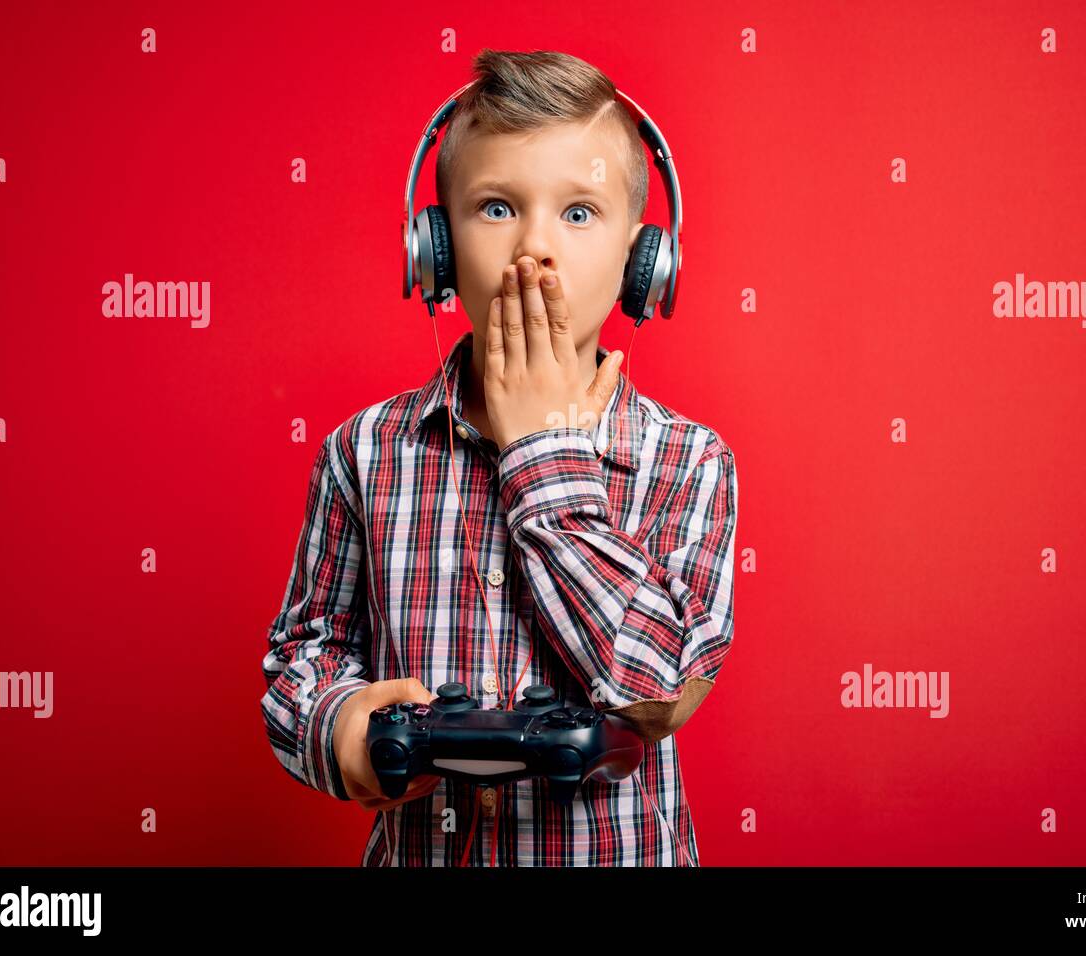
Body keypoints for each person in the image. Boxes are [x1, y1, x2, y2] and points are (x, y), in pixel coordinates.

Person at [260, 48, 738, 866]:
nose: (534, 250)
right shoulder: (364, 452)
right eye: (495, 208)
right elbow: (303, 655)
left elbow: (656, 686)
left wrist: (539, 451)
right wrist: (341, 725)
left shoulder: (689, 461)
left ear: (643, 259)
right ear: (434, 250)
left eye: (580, 213)